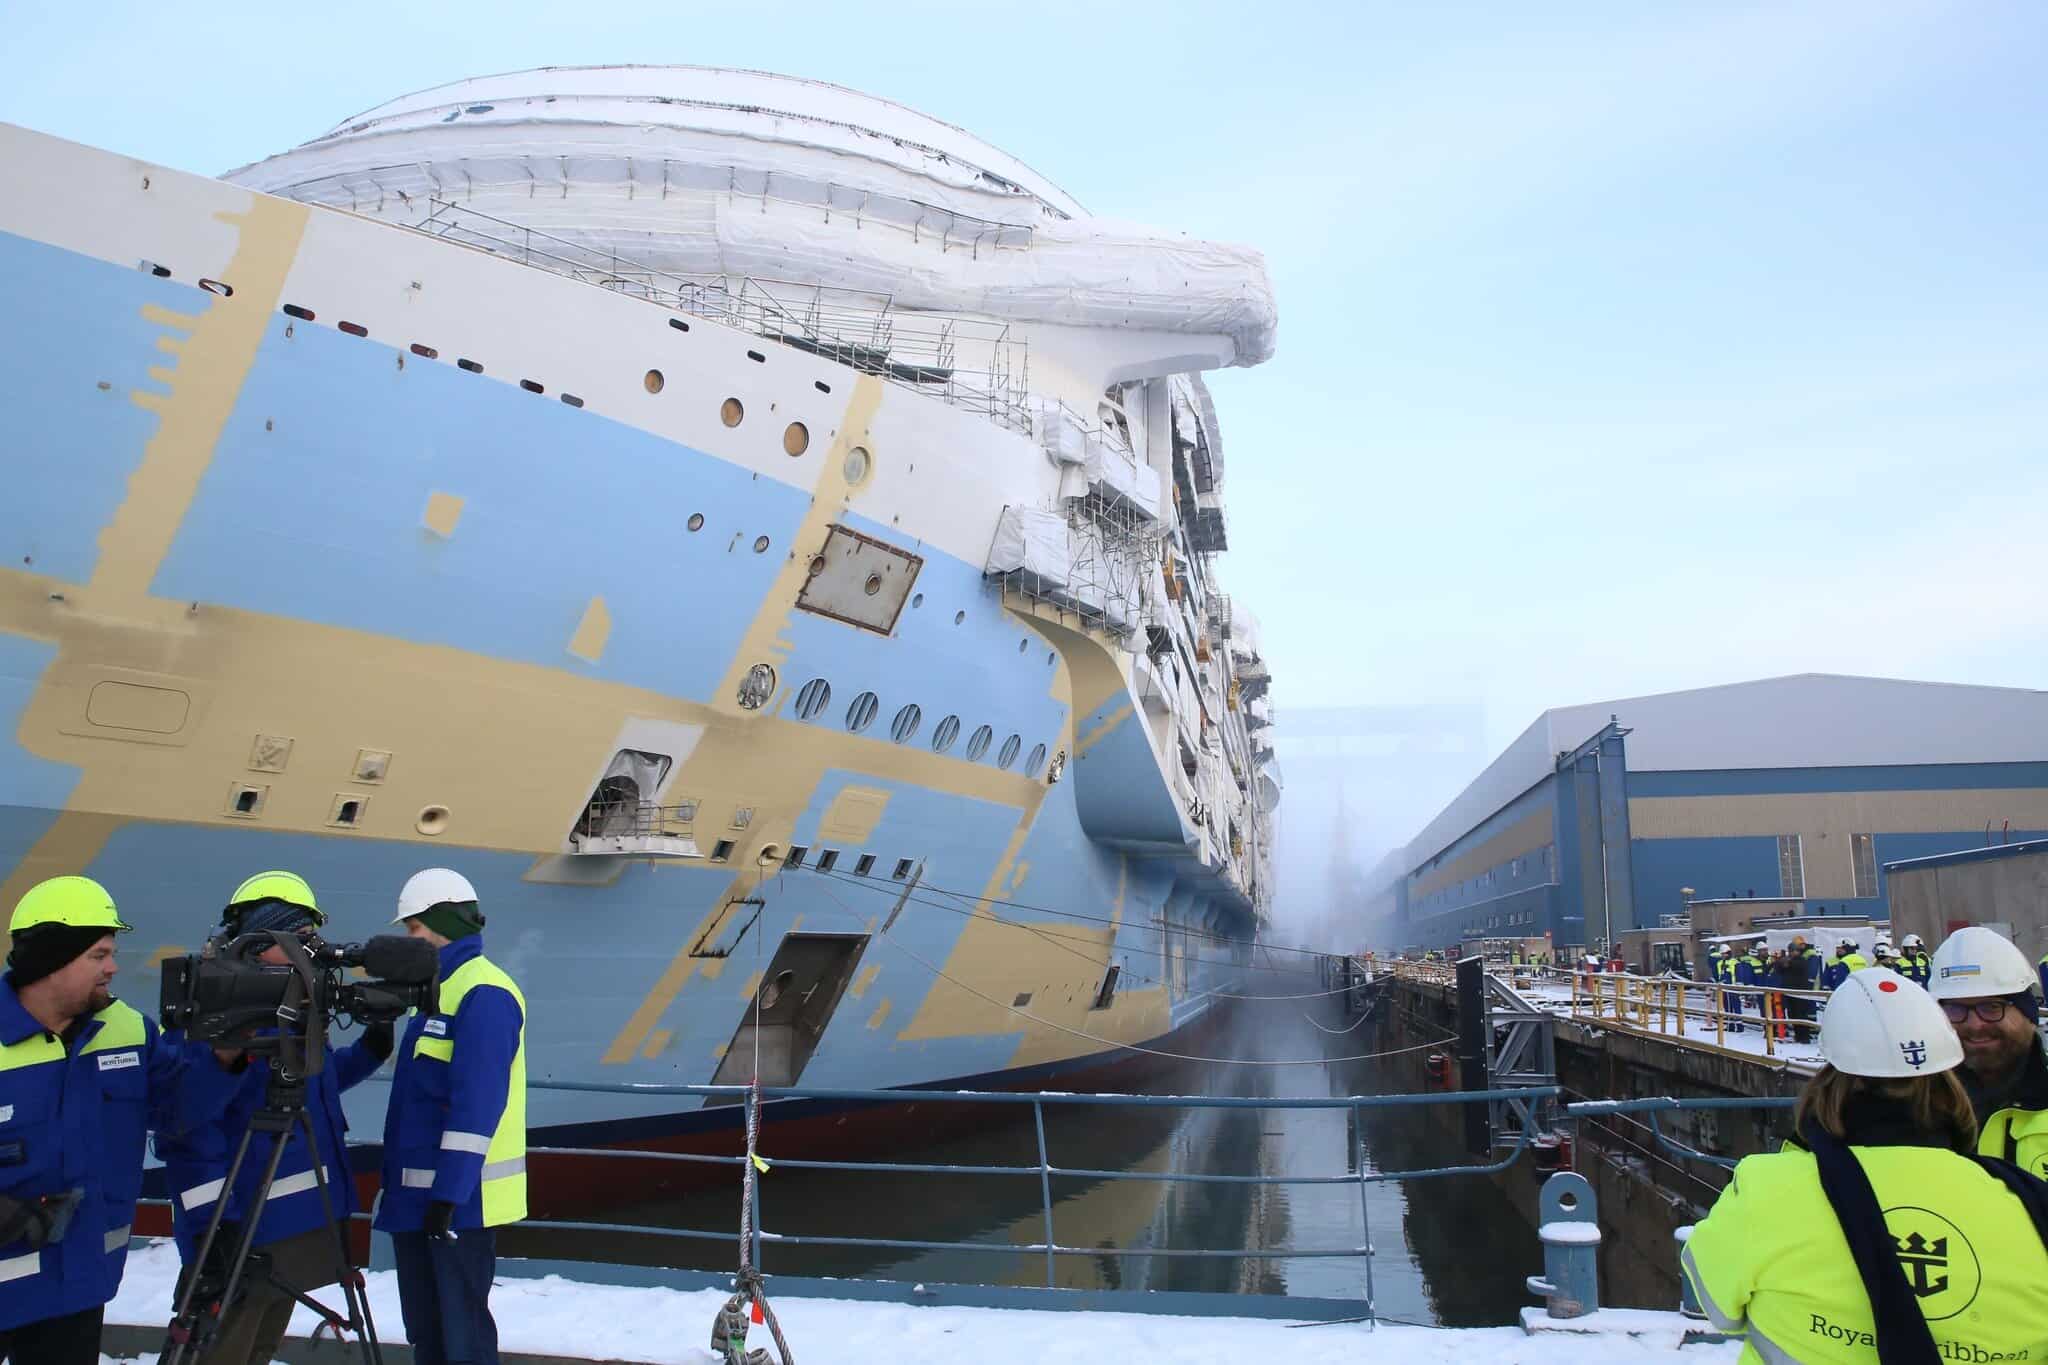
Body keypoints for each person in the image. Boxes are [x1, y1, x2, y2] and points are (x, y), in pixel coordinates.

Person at [1683, 967, 2048, 1362]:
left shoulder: (1765, 1189)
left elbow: (1717, 1307)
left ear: (1828, 1081)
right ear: (1950, 1082)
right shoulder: (2032, 1206)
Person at [158, 871, 394, 1365]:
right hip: (242, 1237)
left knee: (259, 1350)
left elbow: (313, 1081)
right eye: (302, 938)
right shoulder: (216, 1013)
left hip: (300, 1230)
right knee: (223, 1352)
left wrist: (371, 1049)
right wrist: (211, 1231)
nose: (315, 949)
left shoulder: (295, 1003)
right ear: (264, 940)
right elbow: (188, 1129)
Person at [0, 877, 205, 1362]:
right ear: (52, 959)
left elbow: (183, 1110)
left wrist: (228, 1056)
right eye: (98, 955)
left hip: (76, 1288)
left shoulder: (129, 1030)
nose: (114, 967)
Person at [379, 869, 526, 1365]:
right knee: (427, 1331)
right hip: (422, 1200)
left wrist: (448, 1196)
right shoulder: (438, 992)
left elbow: (477, 1105)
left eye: (414, 931)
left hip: (461, 1204)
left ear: (444, 925)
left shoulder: (484, 994)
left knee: (463, 1338)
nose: (408, 942)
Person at [1929, 926, 2048, 1175]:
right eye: (1955, 1009)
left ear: (2029, 1015)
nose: (1975, 1025)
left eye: (1992, 1006)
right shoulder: (1912, 1107)